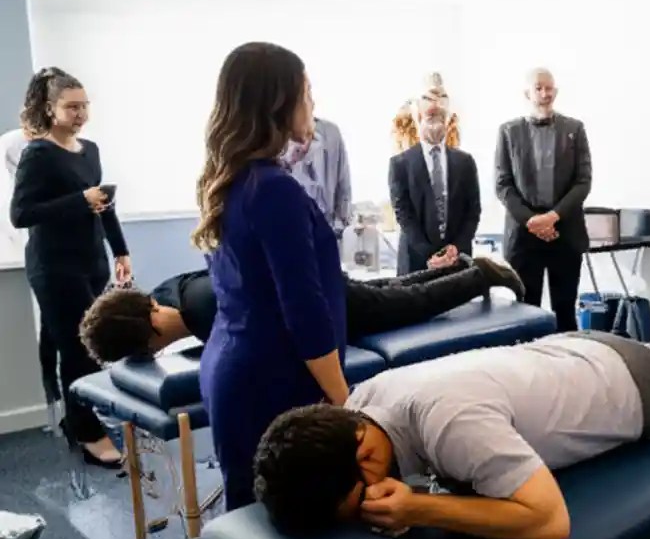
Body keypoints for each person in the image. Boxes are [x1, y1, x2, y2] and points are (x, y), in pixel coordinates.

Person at [252, 306, 650, 539]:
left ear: (362, 452)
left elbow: (550, 522)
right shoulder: (363, 399)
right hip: (578, 349)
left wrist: (418, 508)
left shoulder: (450, 425)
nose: (370, 510)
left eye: (360, 502)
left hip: (640, 392)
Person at [192, 41, 351, 512]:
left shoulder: (233, 178)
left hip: (236, 364)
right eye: (307, 91)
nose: (313, 103)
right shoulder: (273, 190)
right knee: (276, 524)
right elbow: (304, 311)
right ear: (280, 102)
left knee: (251, 519)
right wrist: (344, 401)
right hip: (272, 380)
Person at [10, 67, 132, 468]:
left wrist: (120, 250)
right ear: (51, 108)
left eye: (84, 106)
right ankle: (88, 433)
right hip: (54, 267)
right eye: (71, 107)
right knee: (79, 351)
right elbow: (21, 214)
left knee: (83, 346)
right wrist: (80, 200)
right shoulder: (38, 154)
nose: (80, 114)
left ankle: (78, 421)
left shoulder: (90, 150)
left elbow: (102, 203)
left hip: (91, 261)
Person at [79, 256, 525, 364]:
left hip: (316, 301)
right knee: (390, 290)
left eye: (145, 350)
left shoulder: (208, 312)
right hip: (307, 282)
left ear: (150, 337)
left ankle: (481, 275)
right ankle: (463, 269)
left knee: (407, 305)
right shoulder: (169, 292)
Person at [495, 68, 592, 333]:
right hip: (523, 237)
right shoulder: (508, 131)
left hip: (565, 232)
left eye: (549, 88)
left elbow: (583, 181)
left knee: (565, 311)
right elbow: (503, 184)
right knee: (525, 314)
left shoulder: (575, 129)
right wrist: (532, 221)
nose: (544, 93)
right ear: (527, 93)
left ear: (556, 91)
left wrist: (552, 217)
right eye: (538, 88)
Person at [388, 73, 481, 275]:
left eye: (441, 102)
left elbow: (473, 212)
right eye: (428, 102)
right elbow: (404, 216)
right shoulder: (400, 165)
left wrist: (455, 250)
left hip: (458, 265)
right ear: (417, 115)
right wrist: (433, 255)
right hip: (415, 267)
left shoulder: (465, 163)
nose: (435, 109)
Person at [1, 125, 61, 408]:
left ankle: (54, 393)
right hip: (29, 255)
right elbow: (16, 215)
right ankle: (48, 393)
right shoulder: (13, 146)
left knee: (52, 325)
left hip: (55, 254)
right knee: (44, 327)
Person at [281, 114, 352, 239]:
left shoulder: (331, 133)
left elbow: (343, 186)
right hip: (291, 231)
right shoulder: (274, 137)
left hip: (327, 230)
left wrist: (339, 226)